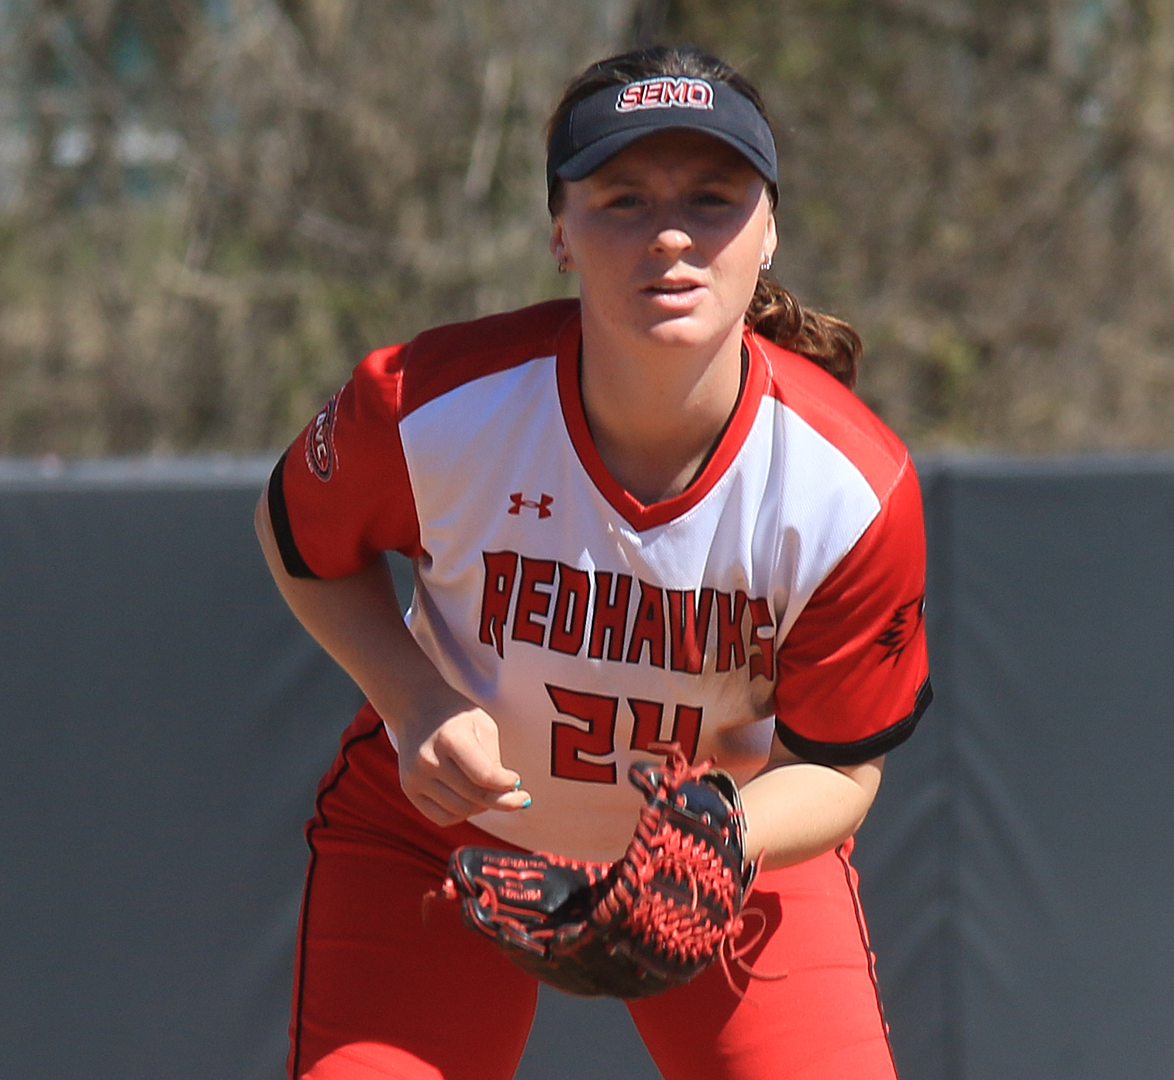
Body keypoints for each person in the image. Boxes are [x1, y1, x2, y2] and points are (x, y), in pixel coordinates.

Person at [255, 43, 929, 1080]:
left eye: (713, 197)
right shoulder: (432, 405)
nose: (669, 234)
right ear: (560, 233)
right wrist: (413, 700)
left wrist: (722, 836)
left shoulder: (850, 485)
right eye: (621, 198)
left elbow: (840, 768)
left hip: (729, 861)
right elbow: (296, 540)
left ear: (770, 227)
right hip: (438, 837)